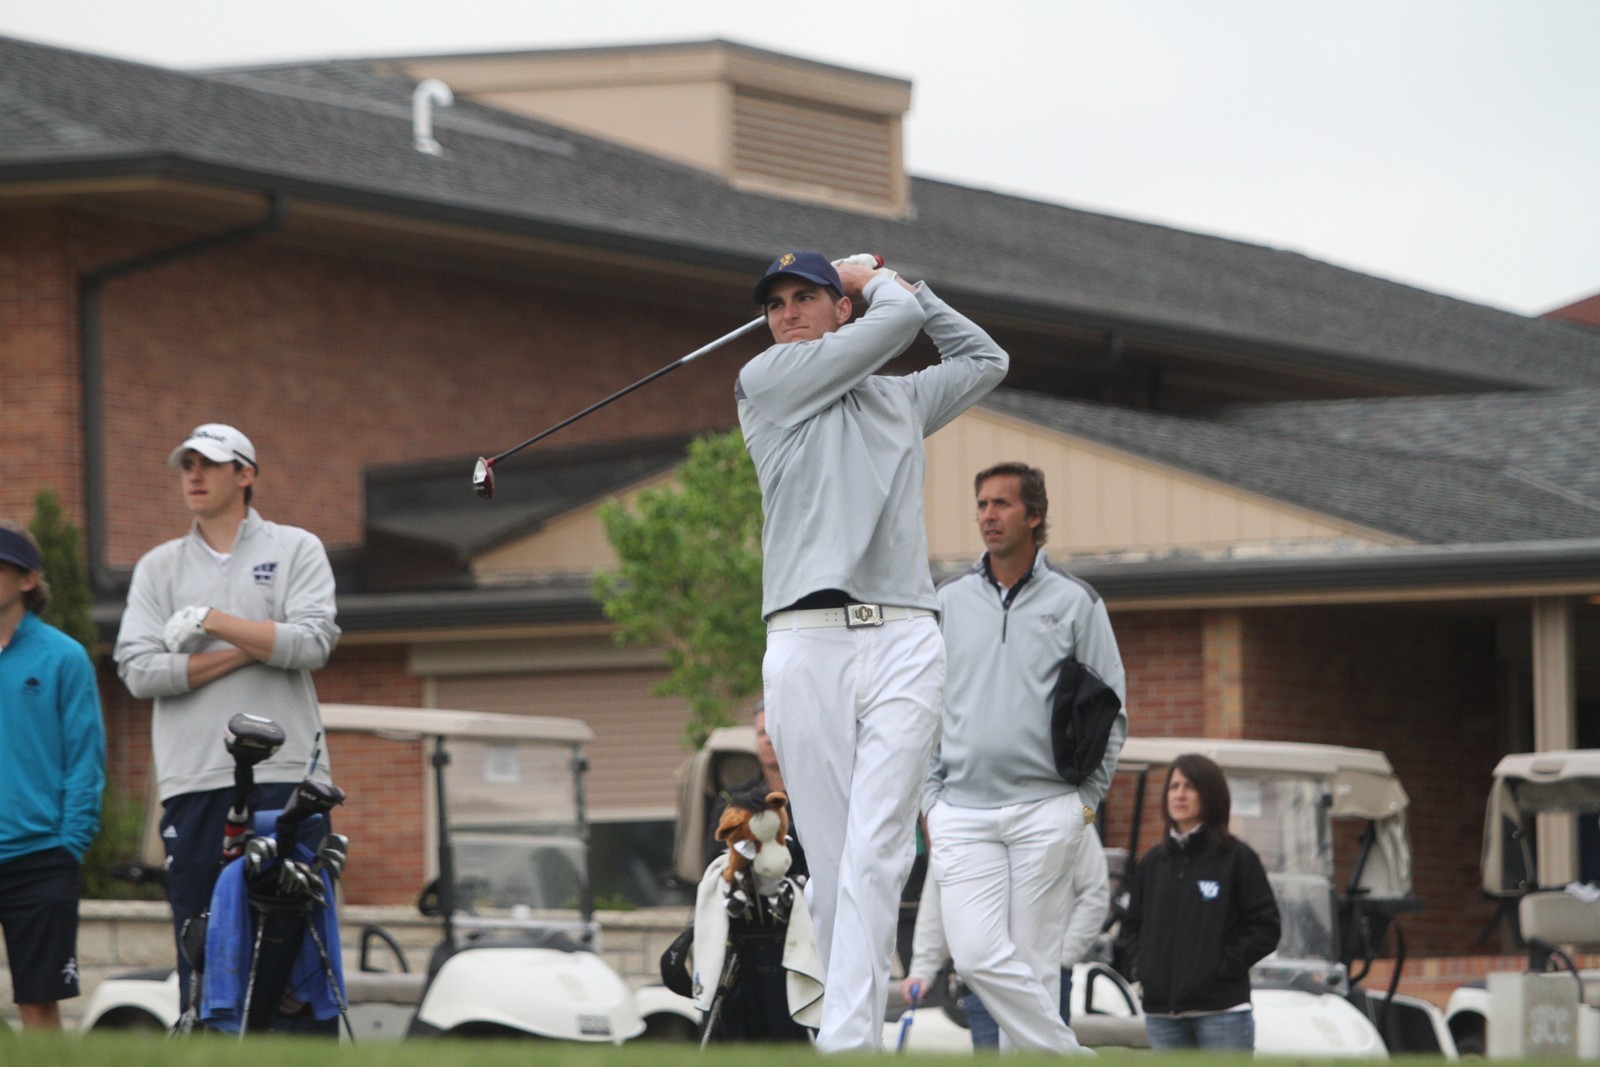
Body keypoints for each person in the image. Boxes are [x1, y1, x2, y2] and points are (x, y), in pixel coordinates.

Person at [738, 251, 1008, 1051]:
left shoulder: (898, 398)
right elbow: (897, 325)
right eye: (776, 303)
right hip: (803, 641)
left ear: (839, 310)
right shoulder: (766, 384)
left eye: (807, 298)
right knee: (832, 860)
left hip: (901, 635)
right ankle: (846, 1021)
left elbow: (986, 359)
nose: (787, 313)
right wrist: (874, 280)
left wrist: (915, 286)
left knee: (879, 846)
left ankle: (847, 1039)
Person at [113, 423, 340, 1012]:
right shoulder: (158, 567)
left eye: (209, 464)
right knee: (203, 938)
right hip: (195, 777)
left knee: (294, 939)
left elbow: (314, 643)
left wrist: (213, 621)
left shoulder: (296, 548)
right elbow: (137, 671)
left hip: (288, 771)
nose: (193, 474)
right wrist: (253, 647)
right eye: (186, 464)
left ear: (246, 474)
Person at [919, 462, 1126, 1051]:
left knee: (1034, 968)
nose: (987, 515)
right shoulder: (947, 601)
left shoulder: (1077, 602)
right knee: (978, 957)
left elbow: (1112, 708)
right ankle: (1070, 1057)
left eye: (1002, 504)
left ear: (1034, 516)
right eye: (982, 504)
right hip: (960, 808)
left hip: (1047, 808)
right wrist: (929, 802)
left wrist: (1085, 804)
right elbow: (923, 707)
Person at [0, 521, 105, 1031]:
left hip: (41, 859)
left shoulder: (64, 657)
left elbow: (86, 759)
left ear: (27, 579)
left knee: (38, 1003)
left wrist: (70, 843)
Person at [1121, 753, 1281, 1051]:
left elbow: (1266, 928)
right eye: (1174, 786)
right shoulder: (1153, 863)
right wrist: (1144, 970)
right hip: (1161, 1017)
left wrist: (1217, 970)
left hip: (1221, 1016)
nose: (1179, 794)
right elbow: (1132, 928)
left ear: (1210, 794)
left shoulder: (1237, 859)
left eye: (1190, 787)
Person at [902, 828, 1111, 1048]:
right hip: (982, 984)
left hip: (1042, 976)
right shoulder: (960, 815)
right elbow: (936, 899)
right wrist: (923, 968)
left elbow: (1093, 893)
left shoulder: (1065, 812)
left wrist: (1063, 957)